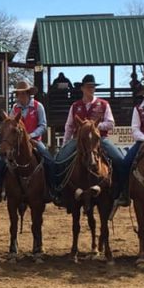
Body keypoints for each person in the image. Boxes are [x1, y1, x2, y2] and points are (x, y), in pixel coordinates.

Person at [54, 74, 124, 204]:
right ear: (82, 88)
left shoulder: (103, 104)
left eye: (92, 87)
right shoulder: (75, 106)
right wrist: (65, 143)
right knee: (59, 160)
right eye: (88, 87)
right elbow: (69, 126)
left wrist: (93, 126)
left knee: (119, 160)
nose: (91, 89)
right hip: (78, 140)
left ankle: (120, 191)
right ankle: (60, 193)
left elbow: (111, 123)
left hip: (99, 138)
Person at [0, 80, 54, 204]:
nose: (21, 96)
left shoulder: (38, 106)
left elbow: (42, 125)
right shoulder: (14, 108)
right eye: (19, 94)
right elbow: (10, 124)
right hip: (16, 143)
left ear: (28, 93)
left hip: (35, 141)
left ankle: (52, 189)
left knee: (49, 160)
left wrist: (30, 135)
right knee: (0, 162)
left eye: (23, 93)